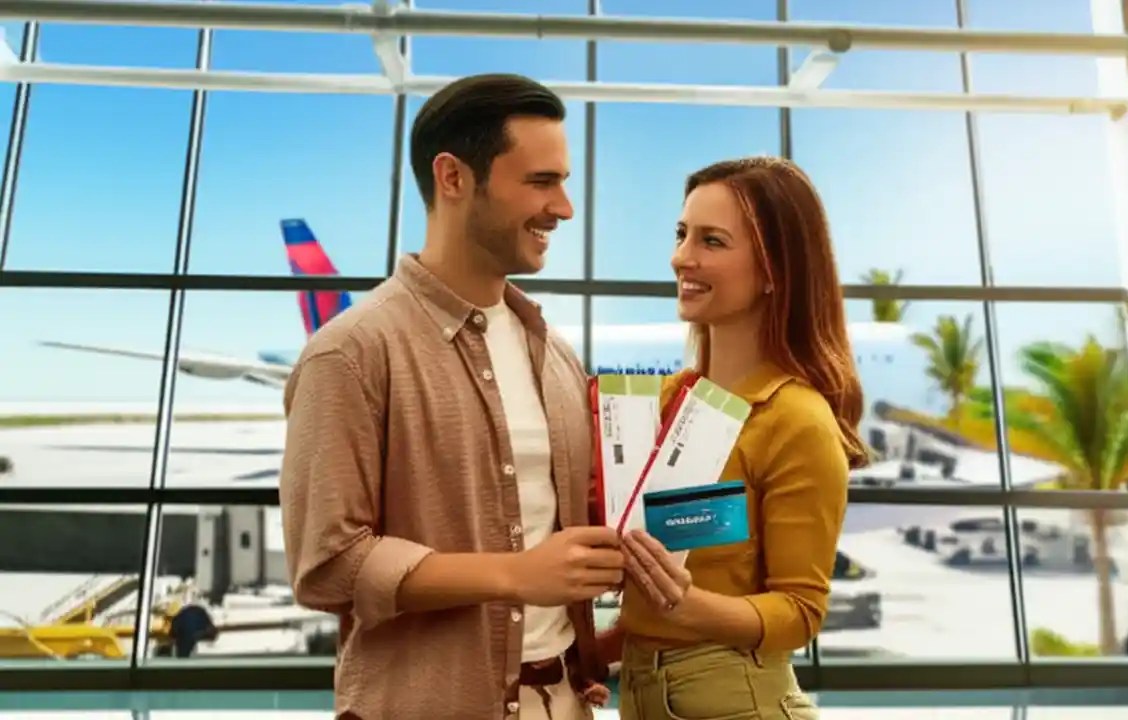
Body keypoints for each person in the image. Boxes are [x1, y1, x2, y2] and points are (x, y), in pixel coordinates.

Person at [278, 73, 623, 720]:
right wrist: (516, 575)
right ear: (454, 178)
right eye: (541, 182)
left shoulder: (555, 357)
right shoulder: (350, 353)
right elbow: (326, 565)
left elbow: (562, 537)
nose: (565, 208)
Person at [603, 156, 869, 719]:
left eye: (712, 241)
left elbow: (799, 612)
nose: (682, 257)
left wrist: (684, 604)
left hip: (737, 700)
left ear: (774, 270)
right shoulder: (668, 400)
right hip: (644, 694)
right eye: (681, 234)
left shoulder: (796, 418)